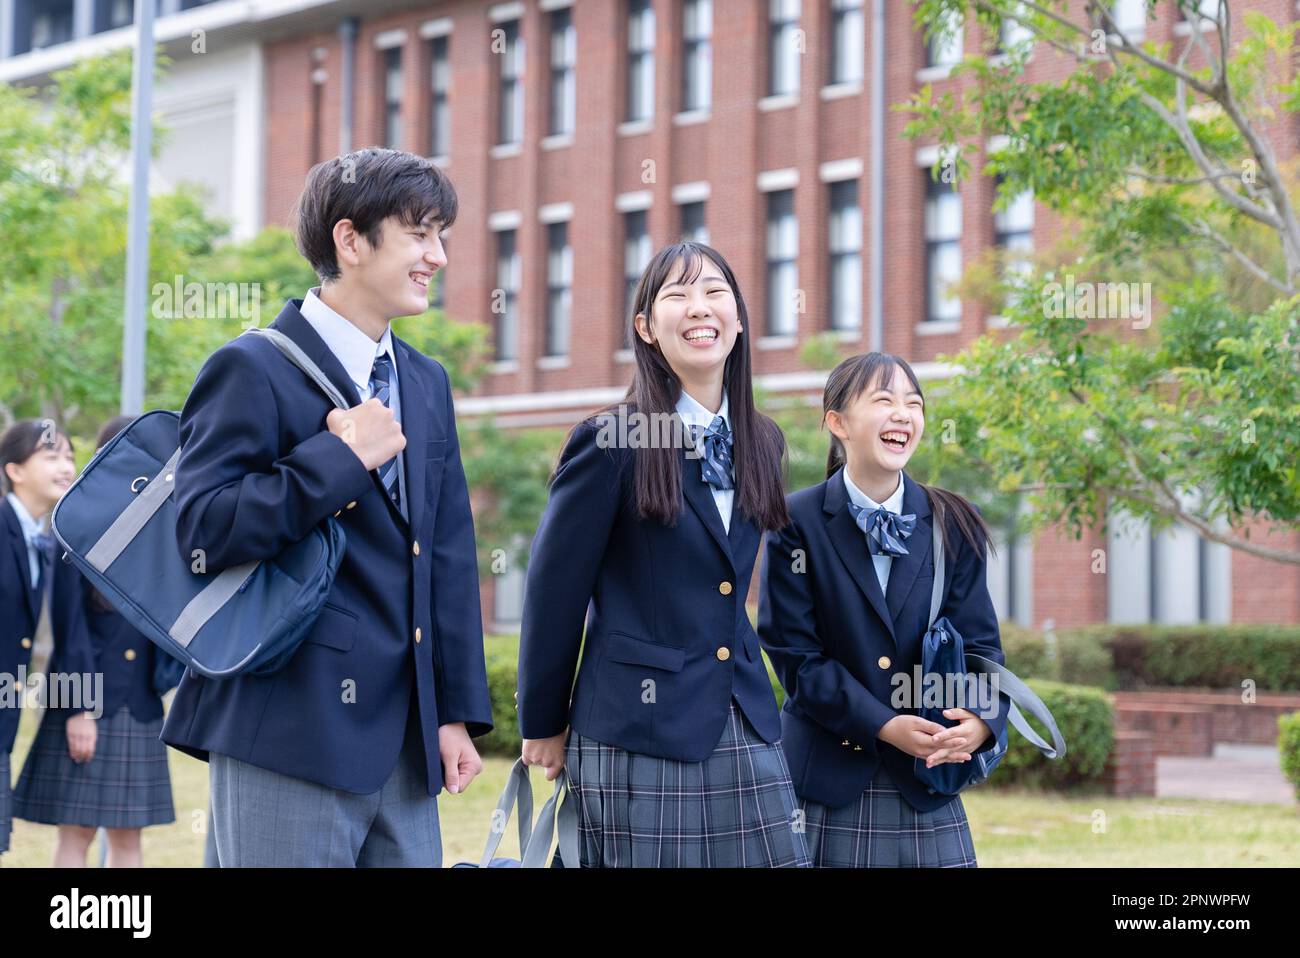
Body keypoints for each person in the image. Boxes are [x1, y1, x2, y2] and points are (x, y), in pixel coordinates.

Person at [163, 148, 492, 867]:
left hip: (406, 742)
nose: (437, 256)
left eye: (441, 236)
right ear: (350, 239)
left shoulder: (427, 381)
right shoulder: (251, 366)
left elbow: (445, 551)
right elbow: (202, 529)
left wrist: (457, 713)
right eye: (420, 234)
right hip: (288, 727)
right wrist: (339, 461)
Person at [518, 241, 809, 867]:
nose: (699, 308)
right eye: (677, 295)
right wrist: (542, 721)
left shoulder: (764, 440)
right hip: (636, 726)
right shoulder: (610, 439)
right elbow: (554, 589)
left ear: (738, 318)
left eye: (714, 293)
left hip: (745, 719)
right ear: (646, 327)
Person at [758, 352, 1008, 867]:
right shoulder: (794, 522)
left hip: (928, 786)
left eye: (913, 404)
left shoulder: (954, 522)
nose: (903, 414)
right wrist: (884, 724)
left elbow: (982, 648)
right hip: (827, 782)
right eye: (884, 400)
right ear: (837, 422)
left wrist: (983, 721)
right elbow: (797, 659)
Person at [14, 415, 176, 867]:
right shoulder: (77, 521)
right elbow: (70, 629)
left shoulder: (165, 525)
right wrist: (78, 710)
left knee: (128, 840)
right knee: (77, 834)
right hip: (89, 702)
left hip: (141, 705)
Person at [0, 419, 89, 861]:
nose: (66, 465)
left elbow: (72, 630)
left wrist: (80, 707)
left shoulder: (56, 540)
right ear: (14, 470)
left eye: (70, 456)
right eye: (51, 455)